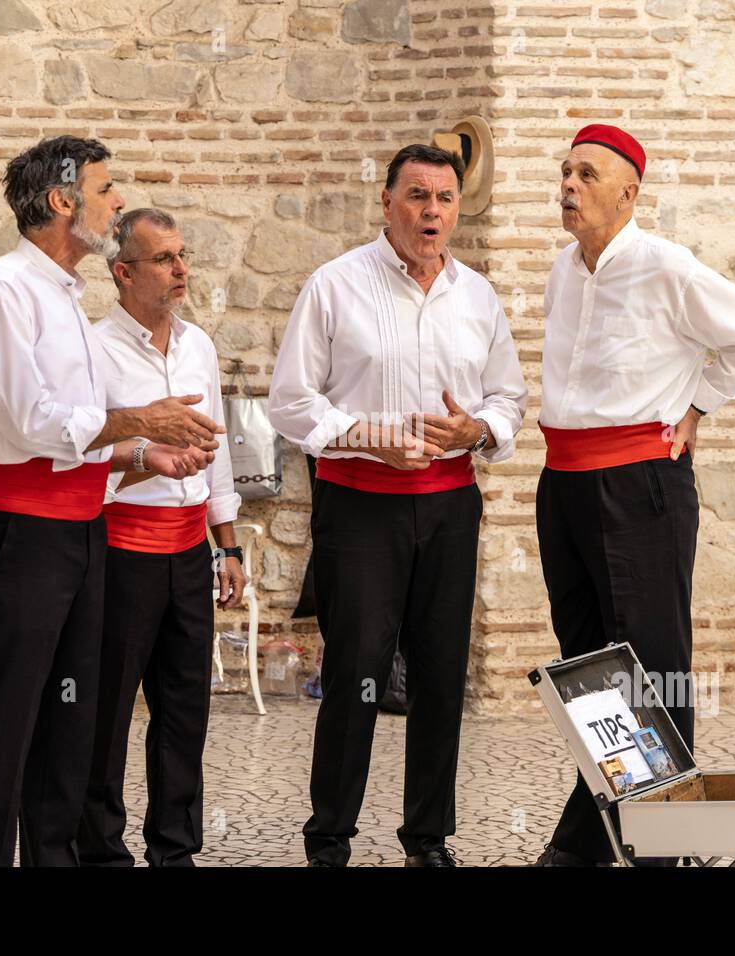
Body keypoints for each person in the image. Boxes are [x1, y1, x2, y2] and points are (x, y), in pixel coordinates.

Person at [0, 136, 224, 867]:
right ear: (64, 200)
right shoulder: (0, 290)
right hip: (25, 534)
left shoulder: (65, 293)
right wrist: (142, 421)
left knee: (70, 722)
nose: (118, 201)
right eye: (106, 188)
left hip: (81, 528)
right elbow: (33, 423)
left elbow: (81, 437)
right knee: (4, 723)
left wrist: (139, 452)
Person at [269, 143, 528, 867]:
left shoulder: (477, 295)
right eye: (417, 196)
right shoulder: (334, 285)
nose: (432, 212)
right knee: (356, 674)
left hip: (449, 507)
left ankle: (427, 839)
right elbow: (291, 401)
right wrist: (363, 437)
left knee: (443, 678)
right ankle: (329, 840)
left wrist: (478, 429)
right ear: (386, 203)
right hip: (359, 511)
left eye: (444, 199)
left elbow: (509, 397)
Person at [532, 124, 735, 867]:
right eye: (566, 172)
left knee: (651, 667)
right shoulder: (562, 269)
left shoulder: (666, 265)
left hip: (640, 485)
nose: (569, 186)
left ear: (628, 194)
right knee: (589, 676)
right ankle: (596, 839)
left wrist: (698, 406)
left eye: (587, 175)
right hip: (564, 483)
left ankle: (658, 851)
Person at [77, 208, 246, 867]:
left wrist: (226, 545)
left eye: (183, 256)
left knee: (184, 710)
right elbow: (78, 450)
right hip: (121, 551)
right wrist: (144, 452)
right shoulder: (94, 348)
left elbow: (218, 453)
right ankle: (101, 851)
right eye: (164, 259)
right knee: (107, 711)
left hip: (188, 552)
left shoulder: (199, 345)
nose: (182, 269)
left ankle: (174, 851)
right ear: (122, 272)